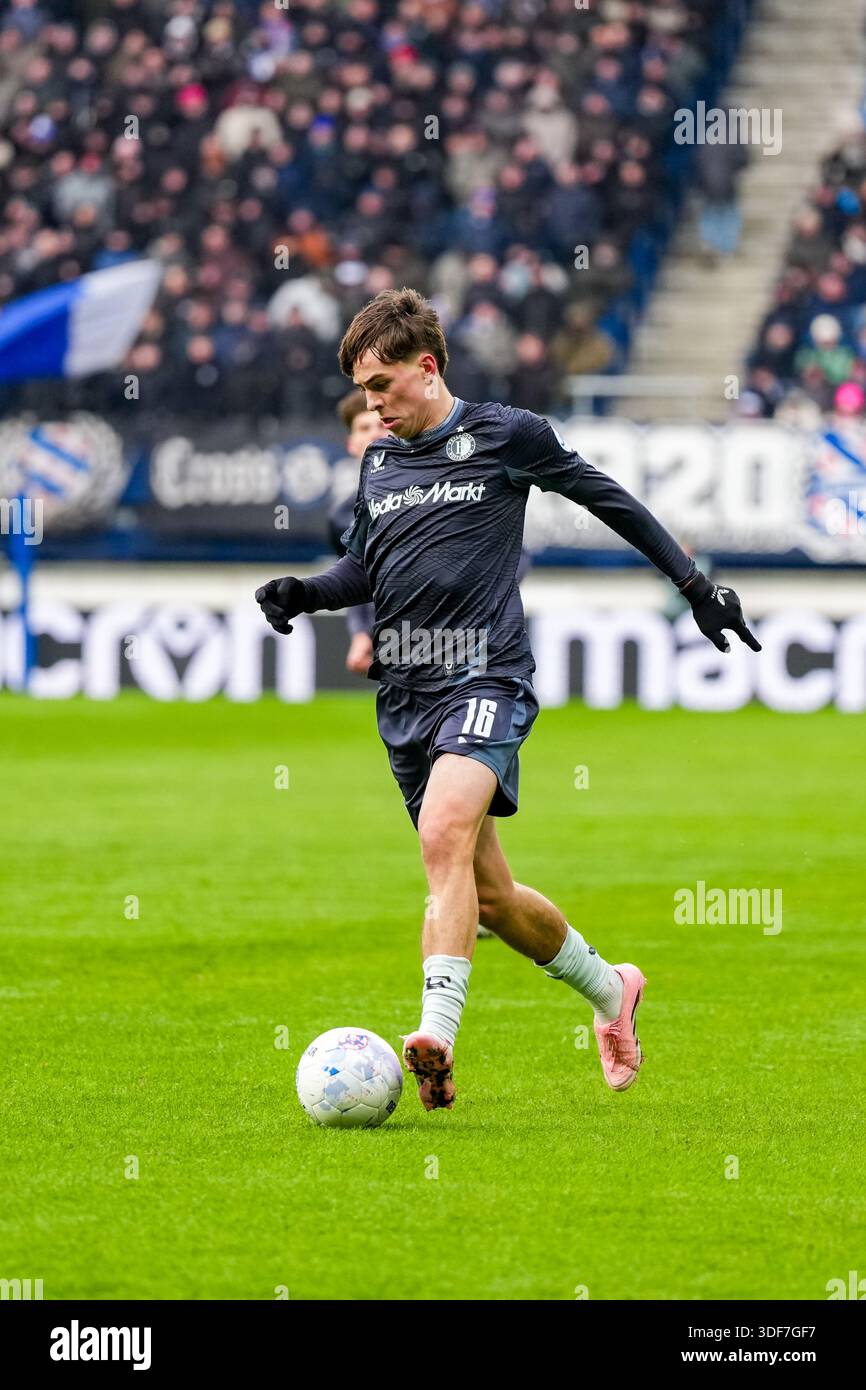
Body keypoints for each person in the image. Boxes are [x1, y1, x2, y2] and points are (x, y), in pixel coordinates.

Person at [255, 288, 761, 1111]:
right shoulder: (380, 461)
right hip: (407, 694)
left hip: (486, 674)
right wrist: (303, 591)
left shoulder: (506, 435)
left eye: (381, 384)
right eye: (363, 390)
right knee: (487, 891)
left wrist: (696, 586)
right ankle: (611, 990)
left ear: (427, 366)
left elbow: (609, 499)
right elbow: (367, 572)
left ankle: (436, 1037)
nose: (371, 404)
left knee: (443, 831)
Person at [329, 391, 381, 675]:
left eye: (382, 425)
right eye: (364, 427)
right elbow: (358, 580)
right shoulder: (342, 518)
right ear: (351, 444)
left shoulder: (442, 489)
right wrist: (362, 632)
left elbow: (514, 553)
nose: (375, 434)